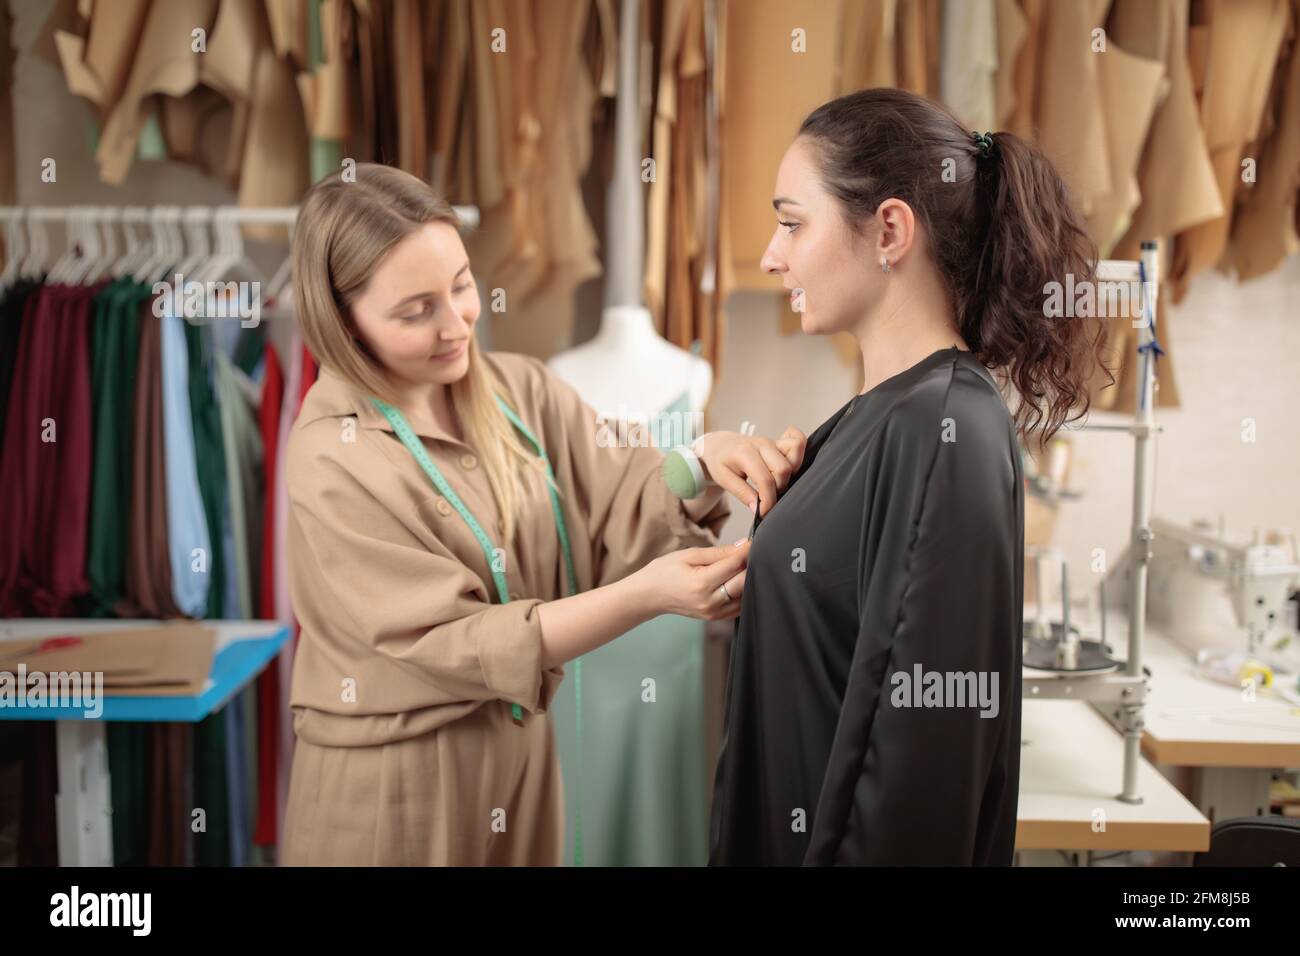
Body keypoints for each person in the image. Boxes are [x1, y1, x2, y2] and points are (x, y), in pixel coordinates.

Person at [279, 162, 803, 865]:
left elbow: (622, 490)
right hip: (395, 792)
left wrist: (701, 462)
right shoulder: (331, 458)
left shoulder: (516, 390)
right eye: (415, 311)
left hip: (520, 767)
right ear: (343, 321)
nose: (456, 322)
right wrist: (646, 596)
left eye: (462, 286)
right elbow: (456, 642)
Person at [708, 88, 1107, 865]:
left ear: (889, 229)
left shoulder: (942, 429)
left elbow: (918, 770)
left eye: (792, 223)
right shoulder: (879, 416)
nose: (770, 254)